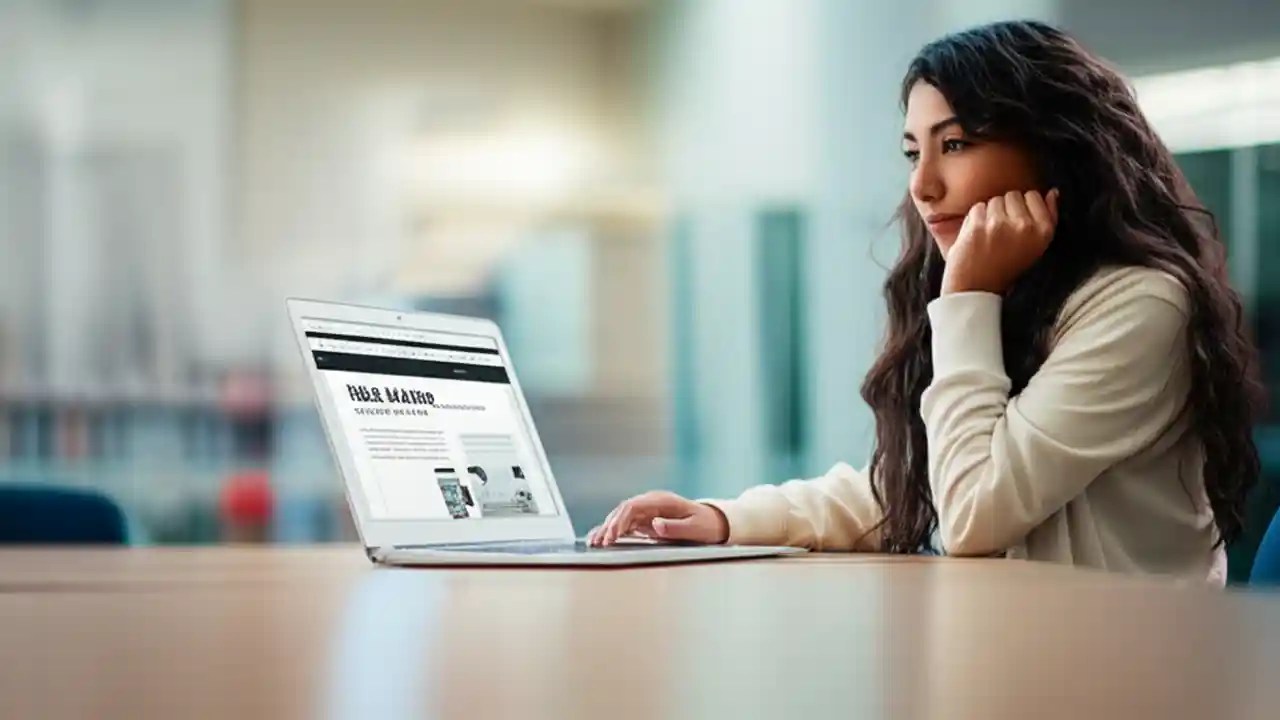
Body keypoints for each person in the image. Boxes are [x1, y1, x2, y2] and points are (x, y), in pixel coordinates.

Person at [587, 20, 1263, 584]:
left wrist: (967, 295)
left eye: (957, 144)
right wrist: (725, 520)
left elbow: (972, 513)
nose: (924, 185)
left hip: (1138, 673)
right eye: (914, 152)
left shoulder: (1142, 303)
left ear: (1054, 151)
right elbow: (921, 483)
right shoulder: (1024, 294)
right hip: (1032, 653)